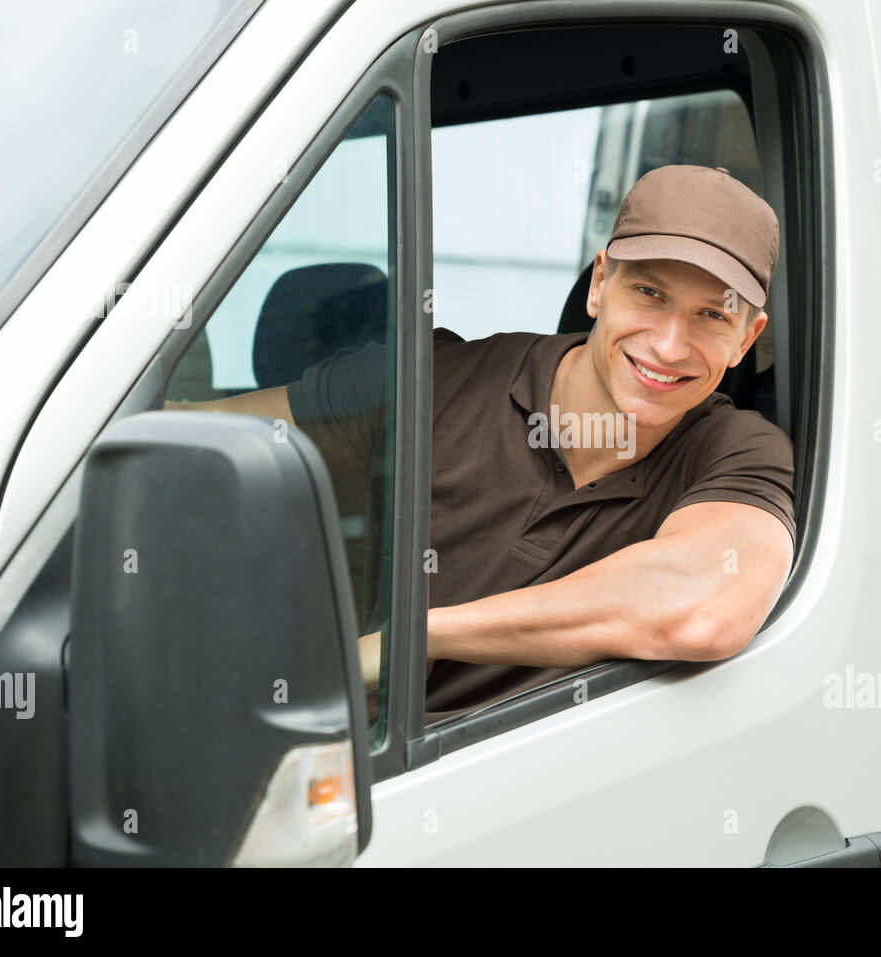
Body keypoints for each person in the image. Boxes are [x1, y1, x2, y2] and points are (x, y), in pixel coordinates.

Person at [169, 164, 796, 723]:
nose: (667, 344)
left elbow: (703, 604)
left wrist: (406, 641)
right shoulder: (427, 381)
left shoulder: (737, 451)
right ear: (600, 282)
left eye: (712, 315)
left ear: (748, 337)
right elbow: (181, 448)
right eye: (649, 293)